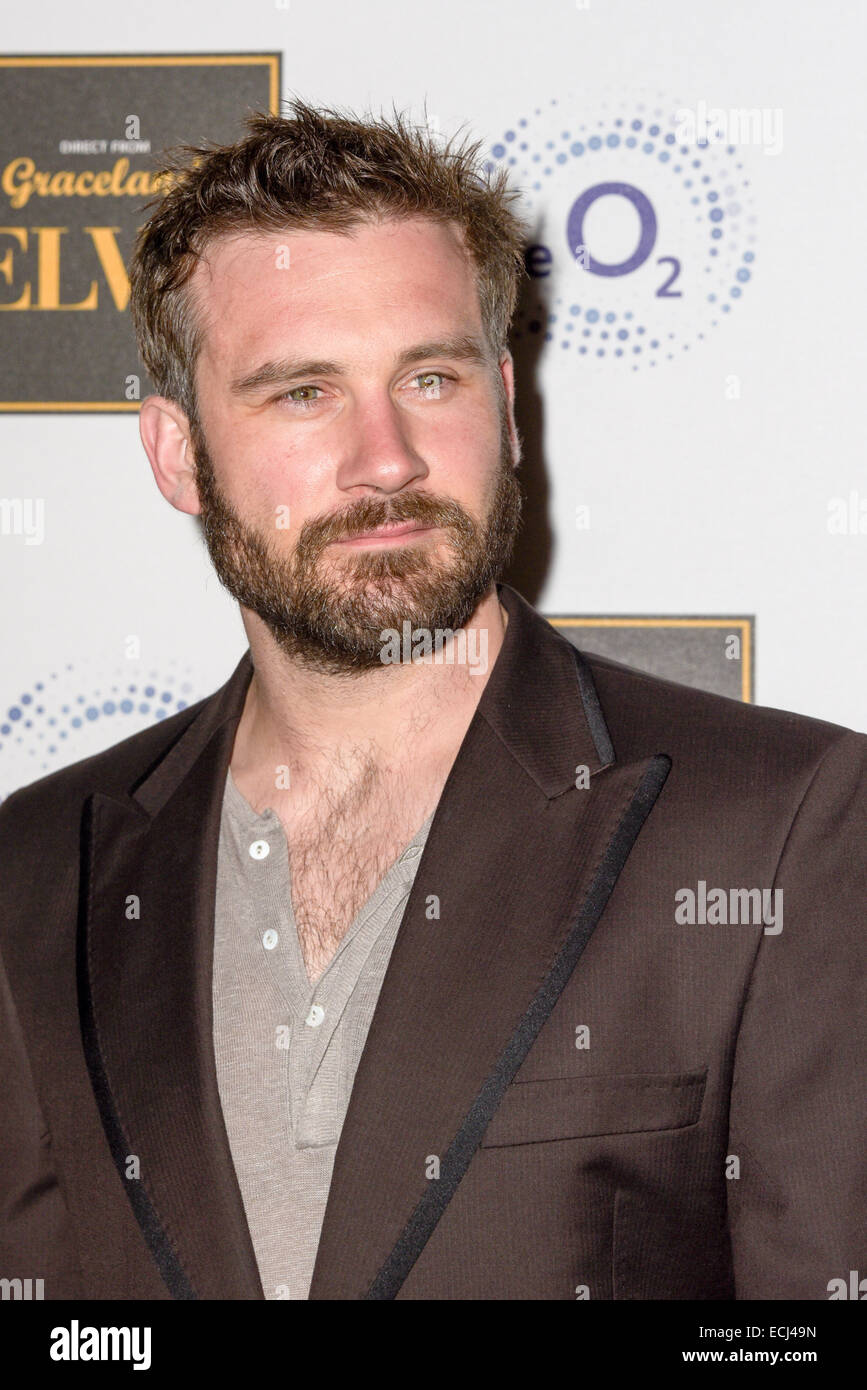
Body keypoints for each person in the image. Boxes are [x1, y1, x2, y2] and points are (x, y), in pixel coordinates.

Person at [0, 99, 864, 1302]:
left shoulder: (776, 825)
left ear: (507, 404)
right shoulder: (37, 871)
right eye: (302, 393)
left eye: (432, 375)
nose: (389, 456)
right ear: (177, 453)